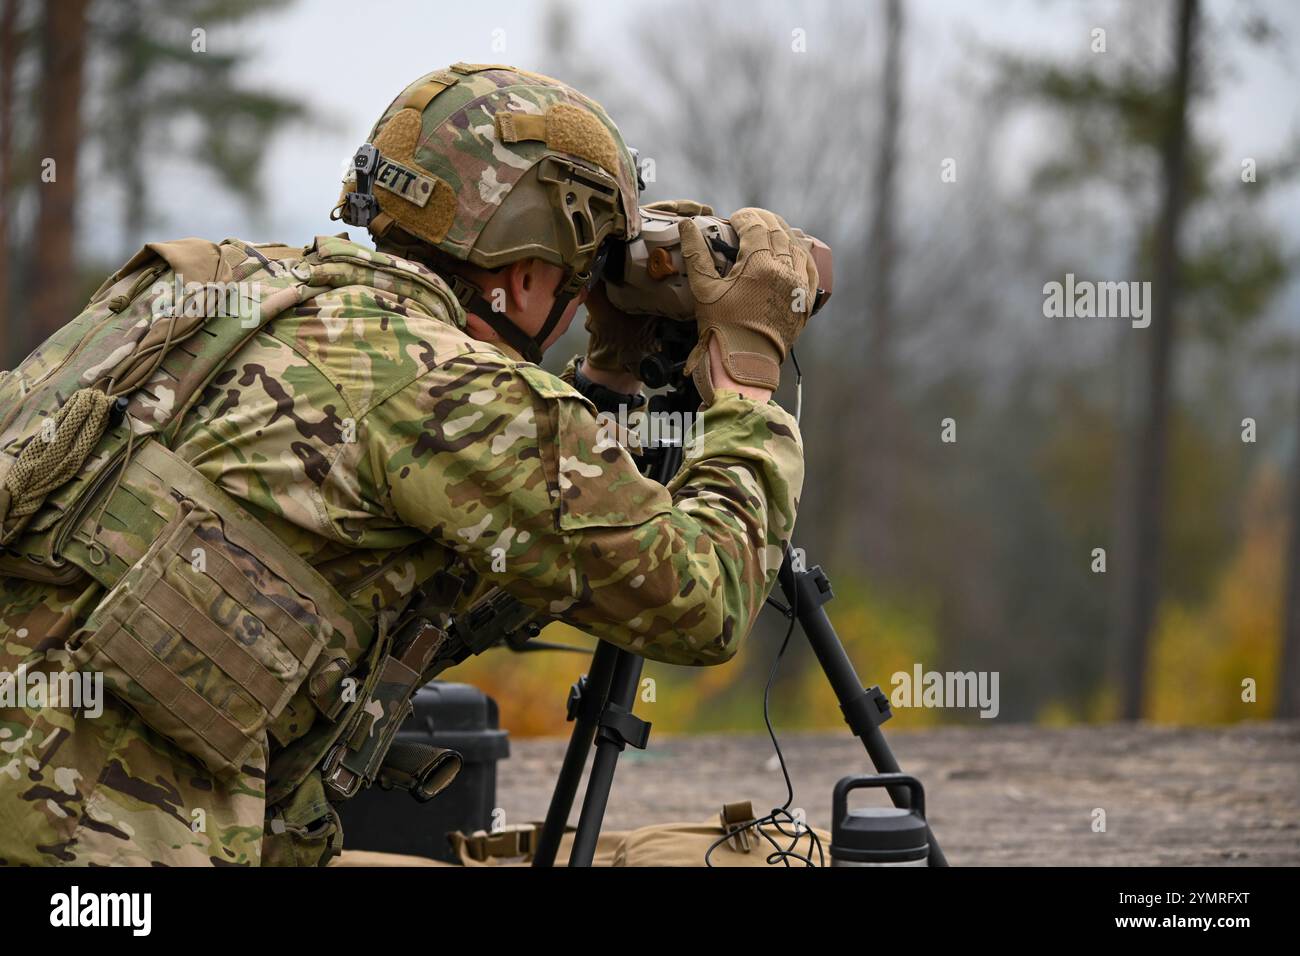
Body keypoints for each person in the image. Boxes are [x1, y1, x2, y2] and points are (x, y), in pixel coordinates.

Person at [0, 63, 817, 866]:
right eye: (580, 274)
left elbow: (429, 577)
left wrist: (607, 382)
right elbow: (705, 600)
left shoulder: (203, 288)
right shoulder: (449, 386)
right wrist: (745, 386)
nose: (576, 302)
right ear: (529, 273)